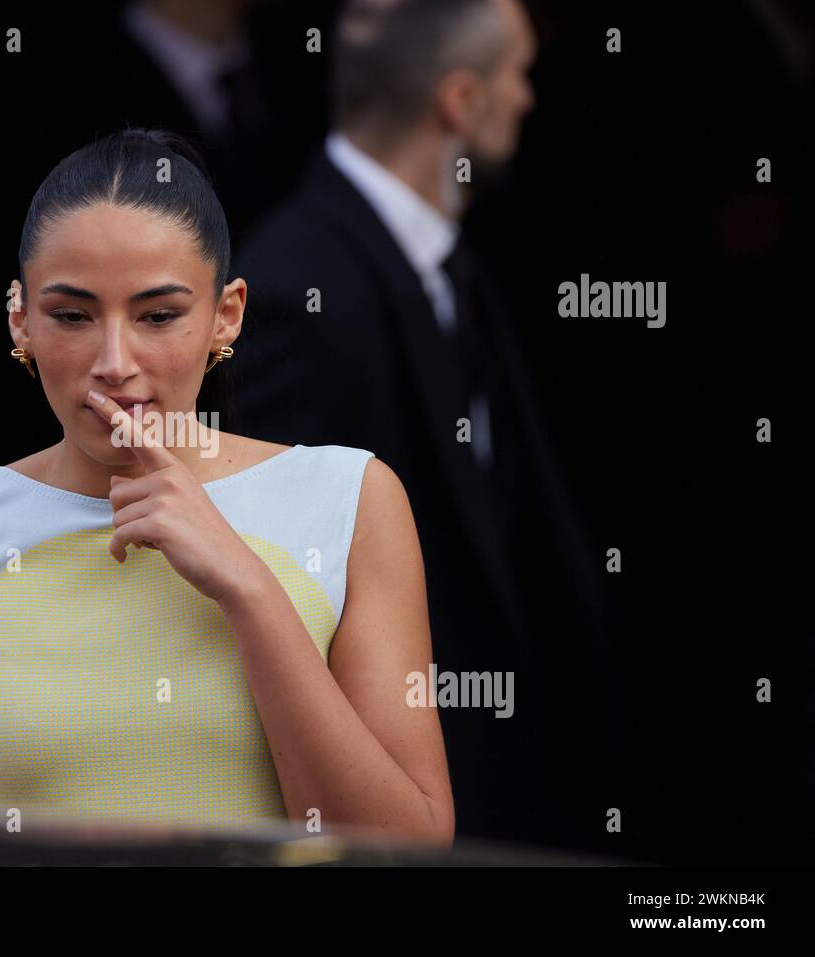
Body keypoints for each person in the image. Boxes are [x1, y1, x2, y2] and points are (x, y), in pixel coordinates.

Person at [0, 129, 454, 842]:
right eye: (73, 315)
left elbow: (407, 847)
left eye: (159, 315)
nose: (115, 361)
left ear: (226, 314)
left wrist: (247, 584)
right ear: (19, 318)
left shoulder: (351, 496)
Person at [229, 0, 618, 849]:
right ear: (460, 100)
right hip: (395, 822)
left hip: (507, 795)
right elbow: (283, 589)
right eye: (518, 73)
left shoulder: (454, 264)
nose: (529, 98)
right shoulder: (297, 291)